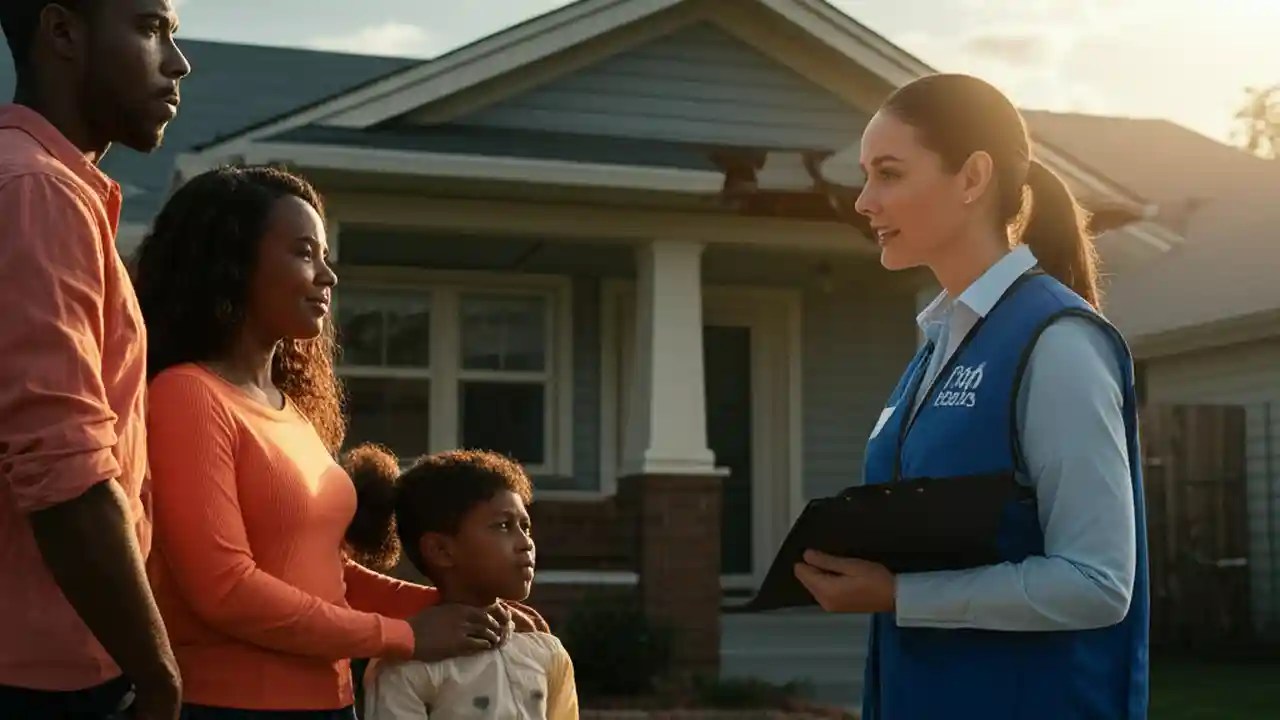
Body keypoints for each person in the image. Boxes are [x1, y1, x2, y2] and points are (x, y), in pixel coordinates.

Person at [132, 165, 548, 719]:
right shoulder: (186, 395)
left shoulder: (289, 410)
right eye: (304, 253)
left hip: (329, 704)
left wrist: (459, 611)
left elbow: (327, 572)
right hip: (233, 705)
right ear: (231, 265)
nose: (327, 275)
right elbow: (225, 590)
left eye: (325, 255)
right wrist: (403, 635)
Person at [793, 73, 1149, 719]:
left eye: (890, 174)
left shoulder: (1056, 342)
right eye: (866, 176)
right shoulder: (938, 345)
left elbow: (1098, 584)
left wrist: (901, 593)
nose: (864, 201)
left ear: (972, 177)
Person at [0, 1, 190, 717]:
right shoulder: (36, 191)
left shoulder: (50, 187)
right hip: (39, 683)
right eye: (149, 28)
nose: (178, 62)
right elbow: (65, 473)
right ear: (63, 31)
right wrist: (158, 672)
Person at [342, 445, 579, 720]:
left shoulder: (547, 652)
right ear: (441, 550)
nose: (526, 543)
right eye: (503, 525)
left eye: (525, 527)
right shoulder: (404, 669)